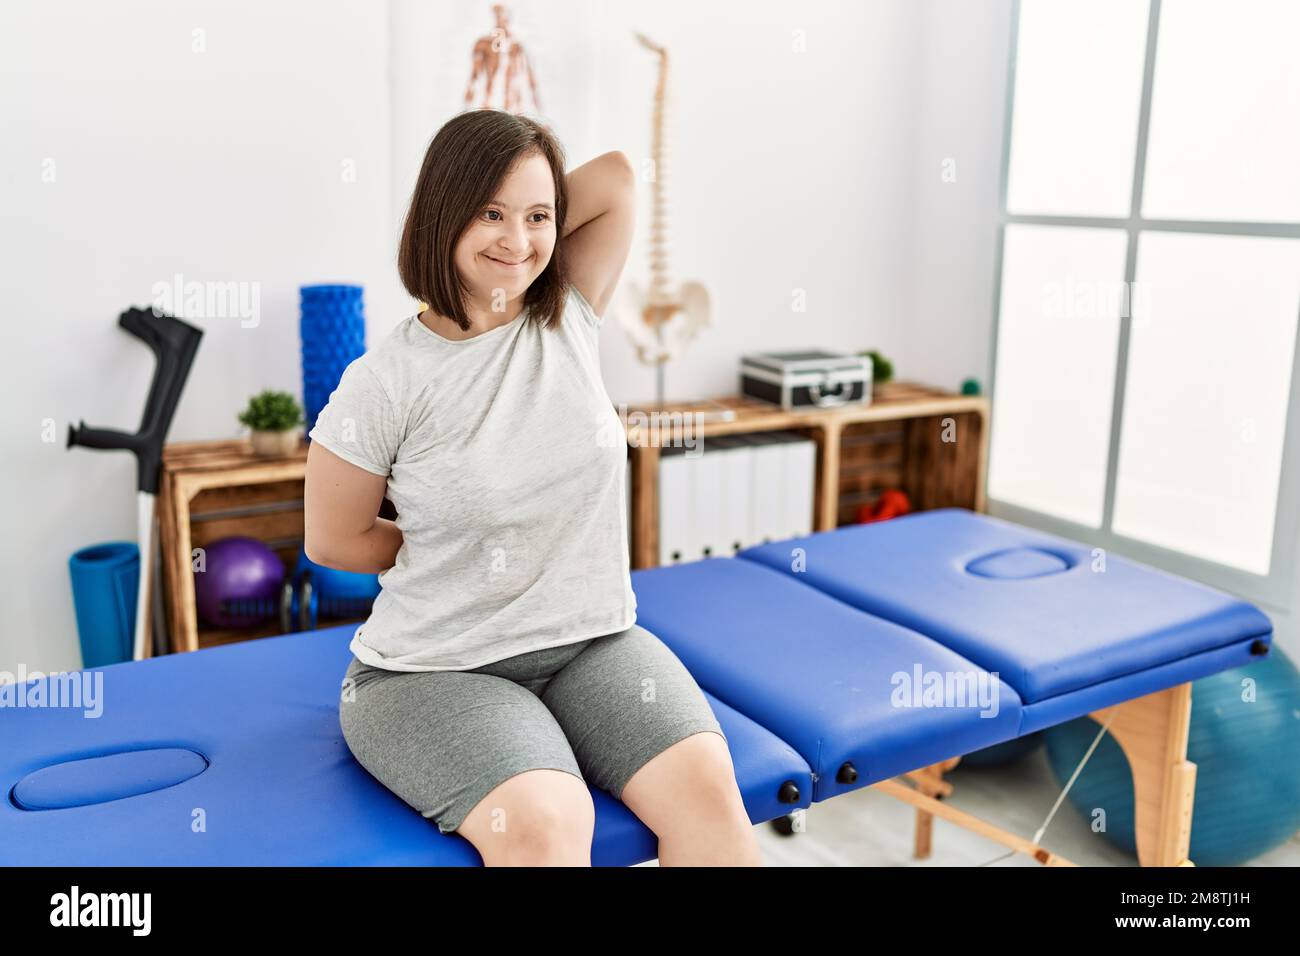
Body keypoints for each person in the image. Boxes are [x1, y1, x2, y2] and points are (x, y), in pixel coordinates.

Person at [303, 109, 762, 867]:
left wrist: (528, 190)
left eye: (537, 216)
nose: (517, 241)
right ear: (441, 214)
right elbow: (332, 538)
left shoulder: (569, 312)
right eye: (488, 213)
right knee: (548, 824)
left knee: (711, 792)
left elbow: (616, 175)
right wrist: (442, 543)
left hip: (592, 644)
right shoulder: (384, 382)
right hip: (434, 672)